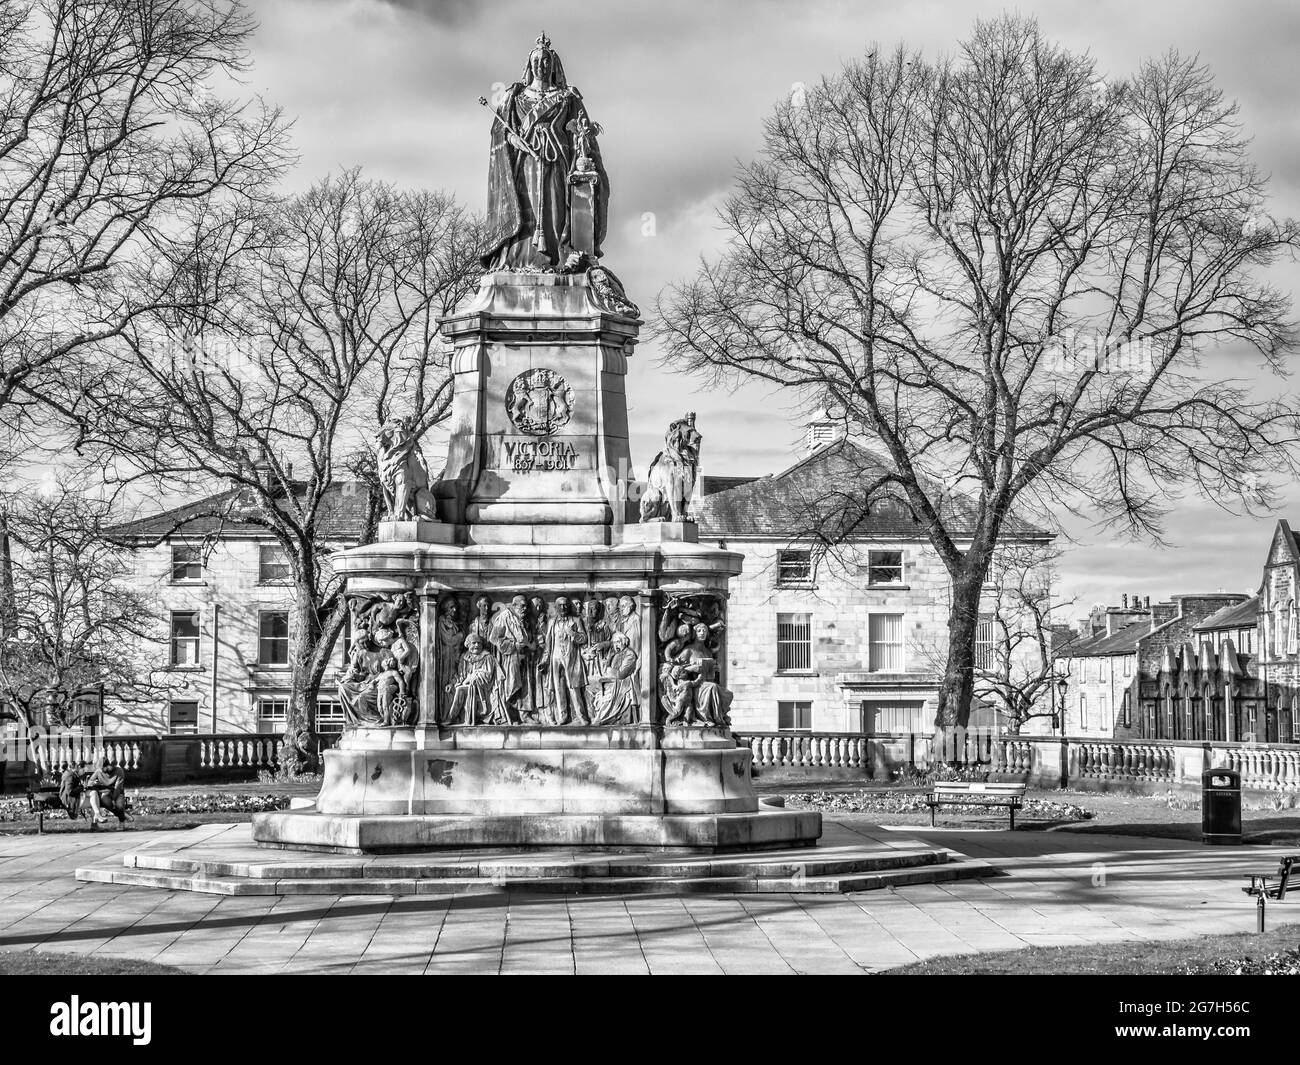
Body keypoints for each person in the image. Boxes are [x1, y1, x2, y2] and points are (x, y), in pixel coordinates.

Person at [480, 34, 608, 271]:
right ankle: (522, 258)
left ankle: (557, 255)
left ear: (553, 65)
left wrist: (583, 147)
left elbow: (580, 132)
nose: (541, 65)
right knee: (526, 208)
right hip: (526, 161)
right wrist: (512, 137)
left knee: (555, 207)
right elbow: (498, 131)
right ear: (530, 65)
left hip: (556, 160)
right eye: (537, 61)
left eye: (546, 61)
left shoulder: (567, 97)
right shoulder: (515, 96)